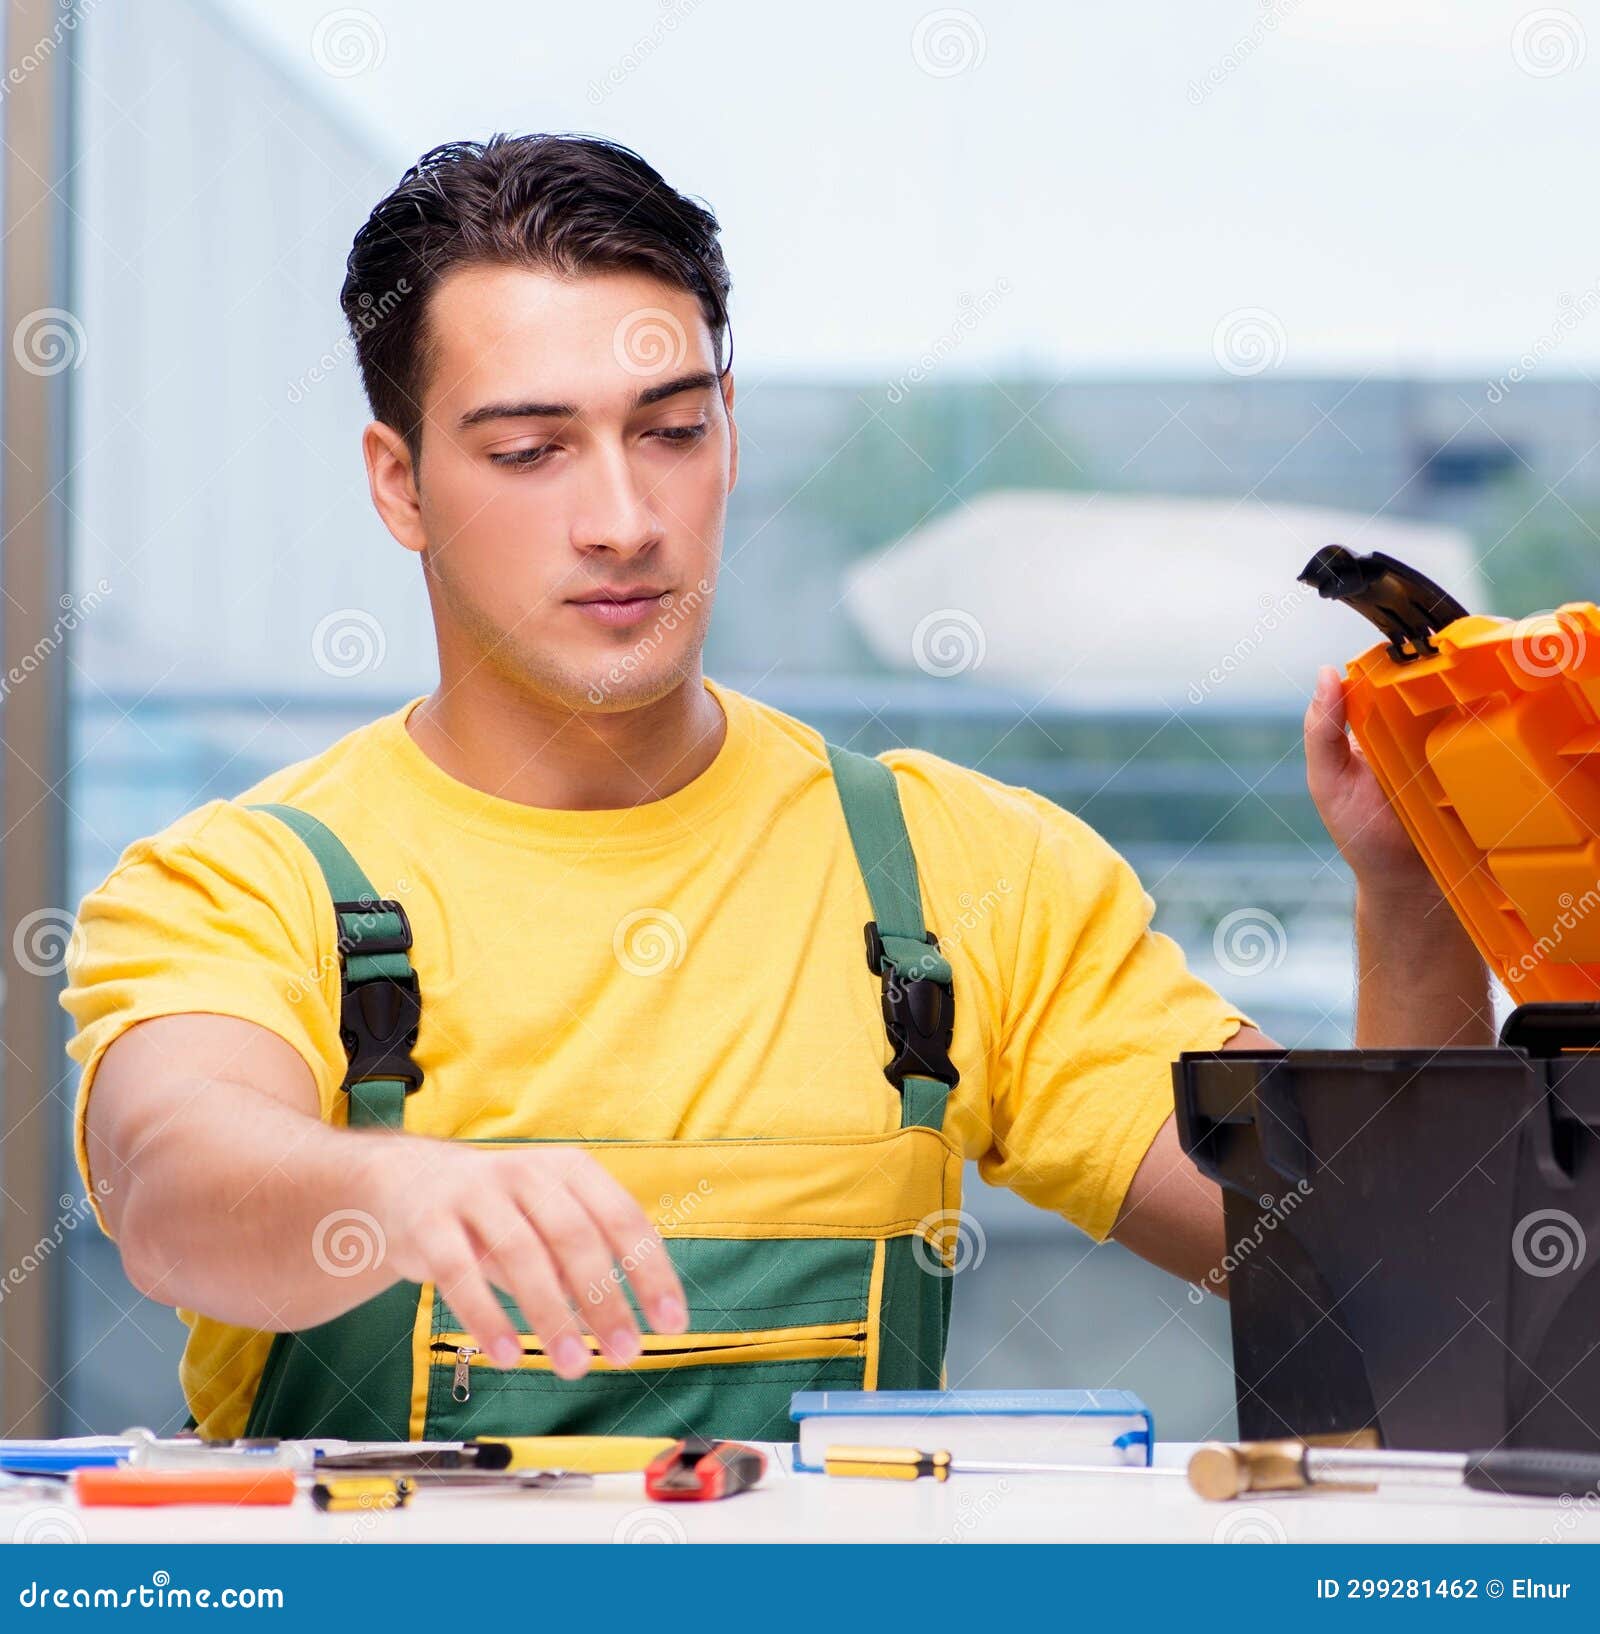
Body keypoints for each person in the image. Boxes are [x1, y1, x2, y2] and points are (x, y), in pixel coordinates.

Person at [61, 134, 1494, 1444]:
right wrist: (389, 1192)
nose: (621, 520)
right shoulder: (247, 883)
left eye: (672, 431)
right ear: (401, 484)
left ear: (729, 434)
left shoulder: (952, 871)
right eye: (528, 450)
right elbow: (171, 1186)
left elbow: (1375, 1276)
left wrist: (1414, 888)